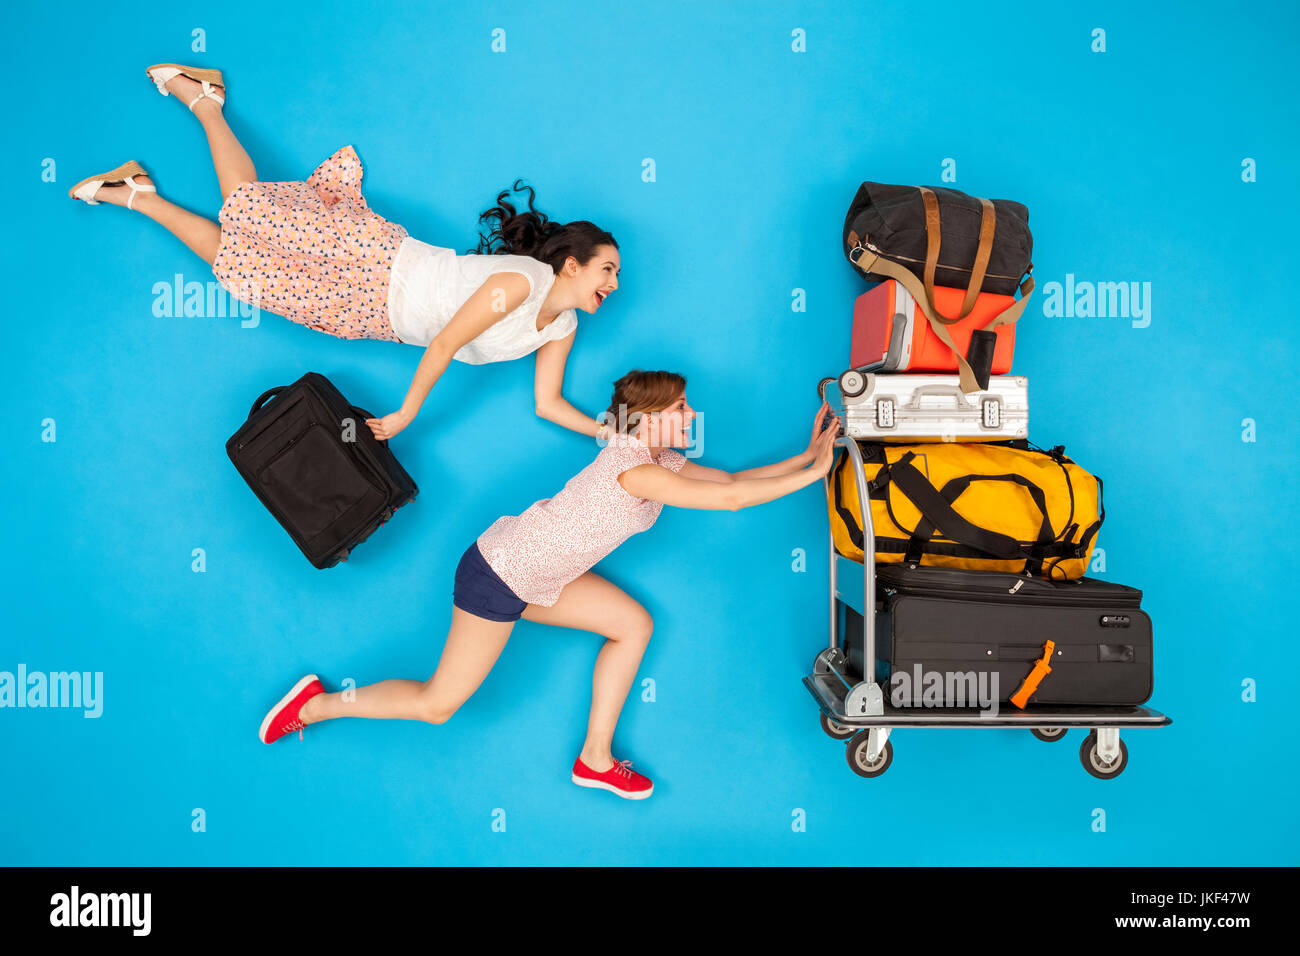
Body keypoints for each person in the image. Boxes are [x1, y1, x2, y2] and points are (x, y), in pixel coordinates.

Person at [257, 370, 841, 800]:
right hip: (500, 574)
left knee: (632, 626)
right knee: (439, 705)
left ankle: (595, 759)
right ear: (646, 417)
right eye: (682, 407)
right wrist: (815, 474)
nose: (692, 417)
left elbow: (735, 478)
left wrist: (809, 456)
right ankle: (315, 707)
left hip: (543, 575)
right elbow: (733, 500)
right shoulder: (634, 467)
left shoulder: (659, 460)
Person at [68, 63, 621, 442]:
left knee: (245, 275)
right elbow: (451, 339)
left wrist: (617, 432)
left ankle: (141, 195)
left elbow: (547, 404)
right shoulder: (521, 281)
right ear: (571, 264)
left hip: (374, 319)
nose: (613, 284)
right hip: (377, 263)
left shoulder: (561, 327)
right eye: (608, 269)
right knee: (249, 211)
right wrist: (407, 412)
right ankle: (206, 99)